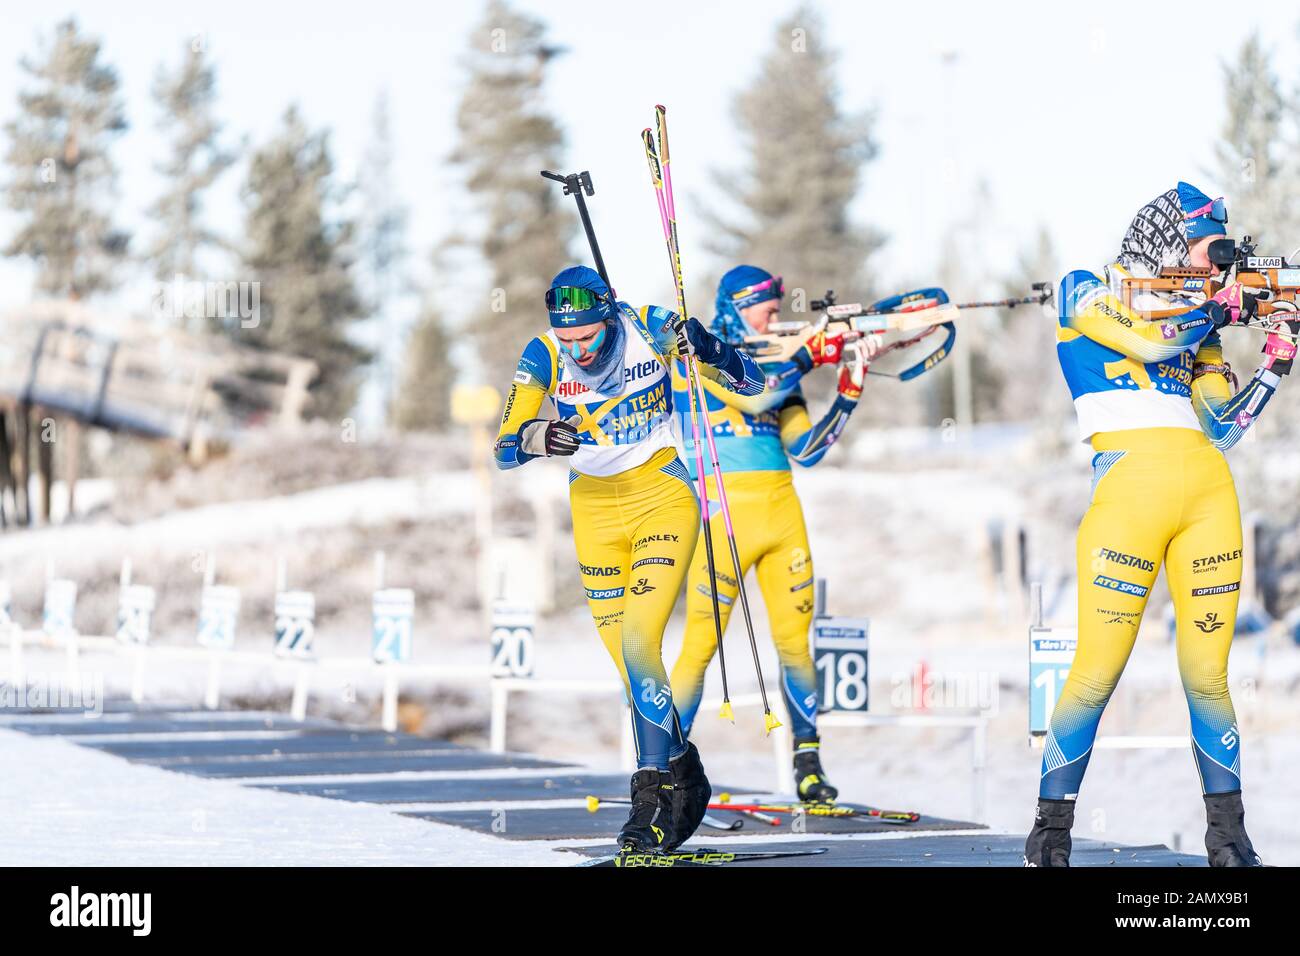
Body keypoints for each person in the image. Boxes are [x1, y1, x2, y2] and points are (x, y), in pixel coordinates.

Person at [1026, 182, 1293, 867]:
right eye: (1212, 249)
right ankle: (1050, 836)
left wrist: (1273, 365)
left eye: (1225, 255)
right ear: (1171, 240)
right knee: (1095, 674)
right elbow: (1147, 344)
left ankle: (1229, 841)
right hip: (1127, 496)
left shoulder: (1199, 319)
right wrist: (1218, 306)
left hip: (1209, 496)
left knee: (1209, 677)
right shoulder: (1084, 289)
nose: (1217, 265)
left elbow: (1222, 428)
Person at [494, 265, 765, 853]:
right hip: (594, 512)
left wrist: (710, 347)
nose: (578, 351)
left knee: (642, 645)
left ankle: (652, 800)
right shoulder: (543, 353)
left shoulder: (650, 329)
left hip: (662, 497)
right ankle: (687, 774)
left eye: (587, 337)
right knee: (629, 669)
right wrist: (542, 436)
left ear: (608, 316)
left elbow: (752, 383)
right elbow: (505, 449)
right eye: (567, 340)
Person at [668, 265, 874, 802]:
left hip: (783, 518)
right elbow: (756, 398)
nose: (776, 318)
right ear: (739, 307)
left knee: (795, 647)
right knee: (699, 648)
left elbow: (806, 450)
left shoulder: (784, 368)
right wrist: (810, 352)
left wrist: (848, 394)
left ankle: (808, 766)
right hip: (722, 522)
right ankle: (663, 768)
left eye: (781, 310)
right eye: (768, 308)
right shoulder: (702, 357)